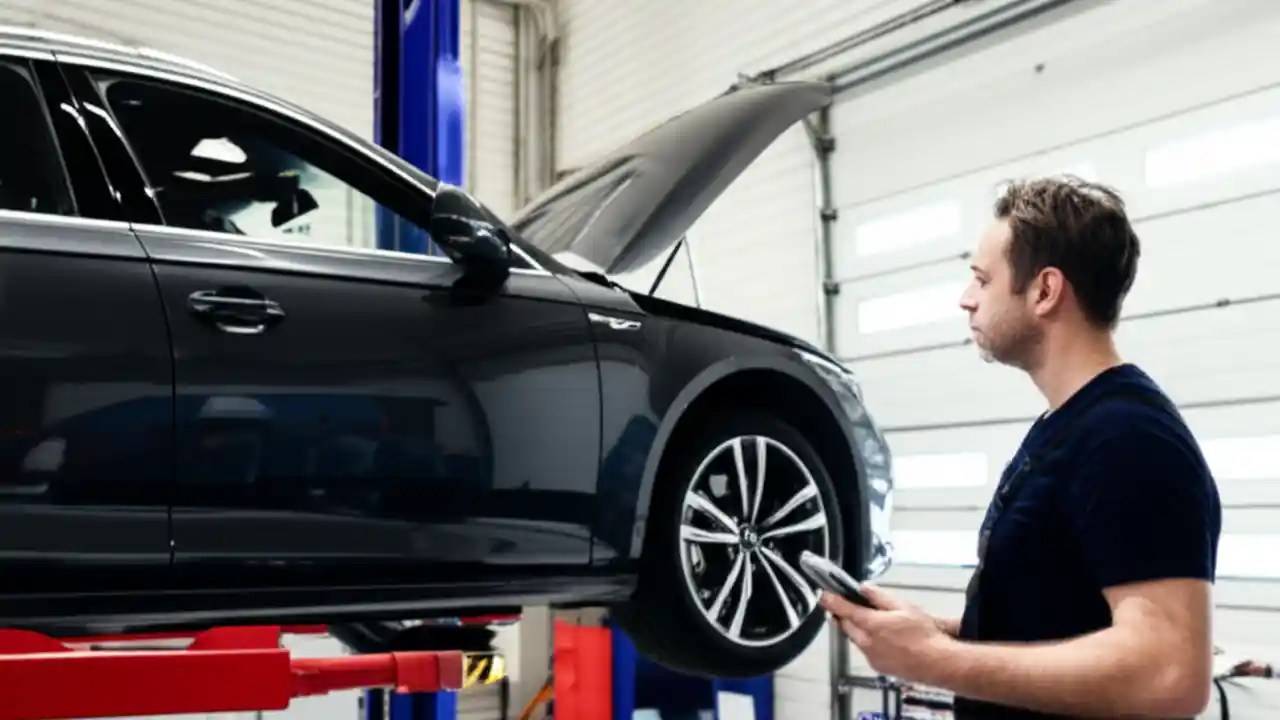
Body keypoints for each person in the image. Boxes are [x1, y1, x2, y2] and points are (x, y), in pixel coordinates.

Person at [822, 176, 1222, 719]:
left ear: (1045, 291)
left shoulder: (1130, 439)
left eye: (982, 280)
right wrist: (931, 634)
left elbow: (1169, 672)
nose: (966, 300)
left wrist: (936, 660)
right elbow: (1059, 625)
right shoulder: (1069, 427)